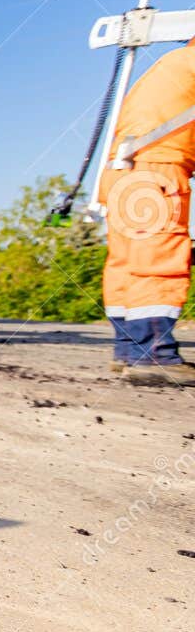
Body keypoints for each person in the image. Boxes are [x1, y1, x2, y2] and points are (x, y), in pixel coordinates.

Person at [97, 36, 195, 385]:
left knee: (127, 263)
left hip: (123, 173)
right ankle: (154, 355)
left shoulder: (174, 65)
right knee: (158, 261)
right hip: (158, 171)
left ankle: (129, 350)